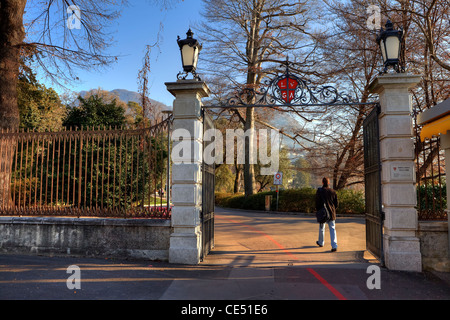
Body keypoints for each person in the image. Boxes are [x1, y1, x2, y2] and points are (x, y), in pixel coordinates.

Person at [315, 177, 339, 252]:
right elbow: (336, 203)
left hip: (323, 212)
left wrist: (318, 210)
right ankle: (334, 246)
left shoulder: (319, 191)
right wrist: (333, 209)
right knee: (332, 229)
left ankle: (321, 242)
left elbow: (317, 202)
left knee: (322, 228)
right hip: (331, 213)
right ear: (329, 183)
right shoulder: (332, 191)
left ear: (322, 183)